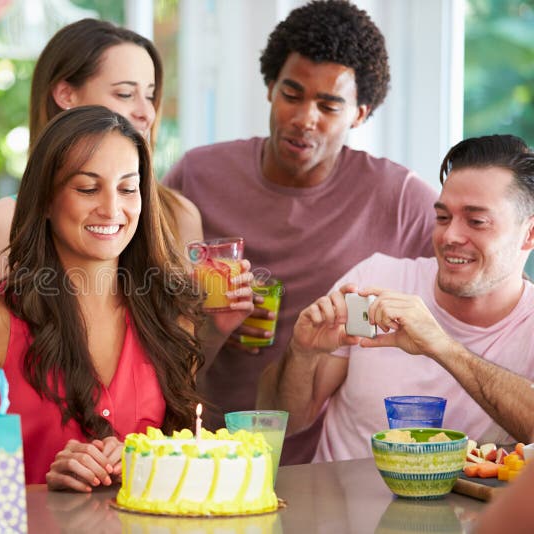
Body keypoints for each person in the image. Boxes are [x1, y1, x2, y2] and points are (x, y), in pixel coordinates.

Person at [162, 0, 438, 463]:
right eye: (292, 94)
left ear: (360, 113)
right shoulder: (198, 174)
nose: (305, 118)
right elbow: (142, 297)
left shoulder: (399, 197)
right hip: (198, 444)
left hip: (320, 461)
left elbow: (476, 277)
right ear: (271, 87)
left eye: (328, 105)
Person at [0, 106, 252, 490]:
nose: (112, 209)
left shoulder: (171, 317)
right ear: (45, 200)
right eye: (87, 188)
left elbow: (181, 468)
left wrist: (142, 462)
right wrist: (44, 488)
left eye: (127, 189)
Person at [258, 134, 534, 462]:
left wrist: (442, 347)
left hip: (465, 499)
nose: (449, 235)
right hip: (336, 497)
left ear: (529, 233)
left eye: (476, 222)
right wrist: (301, 353)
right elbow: (283, 421)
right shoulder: (373, 281)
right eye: (443, 218)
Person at [0, 18, 203, 298]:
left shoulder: (179, 216)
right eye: (125, 94)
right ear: (66, 95)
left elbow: (191, 325)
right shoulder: (4, 222)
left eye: (150, 96)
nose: (147, 113)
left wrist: (224, 319)